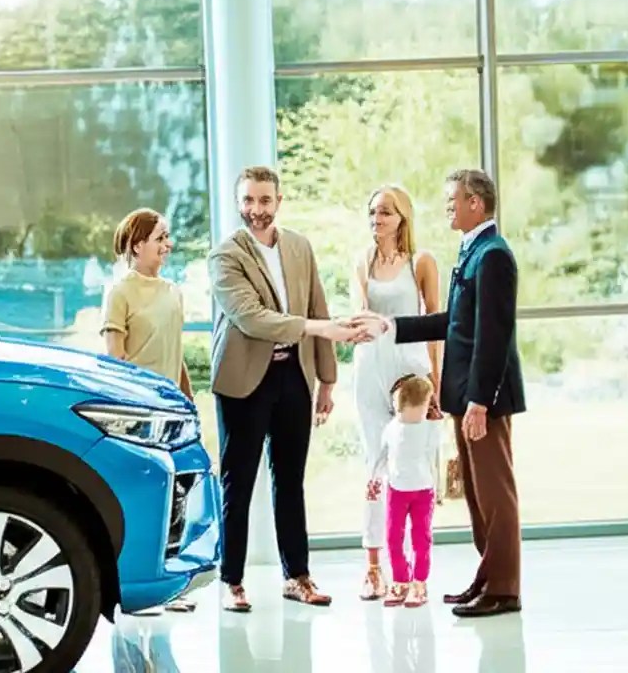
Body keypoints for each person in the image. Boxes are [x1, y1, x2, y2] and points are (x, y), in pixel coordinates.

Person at [353, 168, 526, 618]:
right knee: (477, 494)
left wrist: (479, 401)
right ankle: (487, 579)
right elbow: (454, 322)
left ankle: (504, 588)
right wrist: (390, 326)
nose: (448, 208)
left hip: (483, 398)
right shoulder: (473, 251)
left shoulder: (494, 256)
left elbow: (493, 336)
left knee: (495, 494)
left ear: (476, 203)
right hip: (466, 395)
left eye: (453, 201)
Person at [210, 165, 367, 612]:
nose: (256, 209)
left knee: (291, 481)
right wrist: (318, 328)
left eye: (264, 200)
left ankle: (297, 576)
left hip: (294, 375)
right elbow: (252, 318)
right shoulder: (225, 256)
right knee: (238, 482)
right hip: (244, 380)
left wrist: (327, 379)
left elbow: (318, 304)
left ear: (278, 201)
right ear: (238, 203)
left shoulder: (299, 247)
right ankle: (232, 580)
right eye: (248, 200)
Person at [349, 184, 443, 601]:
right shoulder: (361, 262)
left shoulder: (422, 262)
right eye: (372, 212)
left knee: (412, 464)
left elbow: (436, 325)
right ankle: (373, 568)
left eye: (386, 212)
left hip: (411, 370)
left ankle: (415, 573)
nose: (377, 219)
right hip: (371, 369)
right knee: (375, 465)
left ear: (403, 217)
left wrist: (437, 381)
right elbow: (359, 317)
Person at [101, 207, 196, 613]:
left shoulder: (173, 291)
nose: (167, 244)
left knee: (175, 498)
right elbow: (115, 358)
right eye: (160, 238)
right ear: (137, 245)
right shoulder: (119, 292)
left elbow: (175, 352)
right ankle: (137, 586)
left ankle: (167, 586)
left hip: (171, 410)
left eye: (167, 237)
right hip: (137, 413)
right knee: (143, 498)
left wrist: (188, 400)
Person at [367, 374, 439, 608]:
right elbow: (382, 456)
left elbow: (434, 458)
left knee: (421, 539)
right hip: (397, 491)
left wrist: (439, 490)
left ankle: (419, 582)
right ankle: (400, 580)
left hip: (423, 491)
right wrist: (374, 479)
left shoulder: (430, 428)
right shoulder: (392, 428)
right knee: (393, 537)